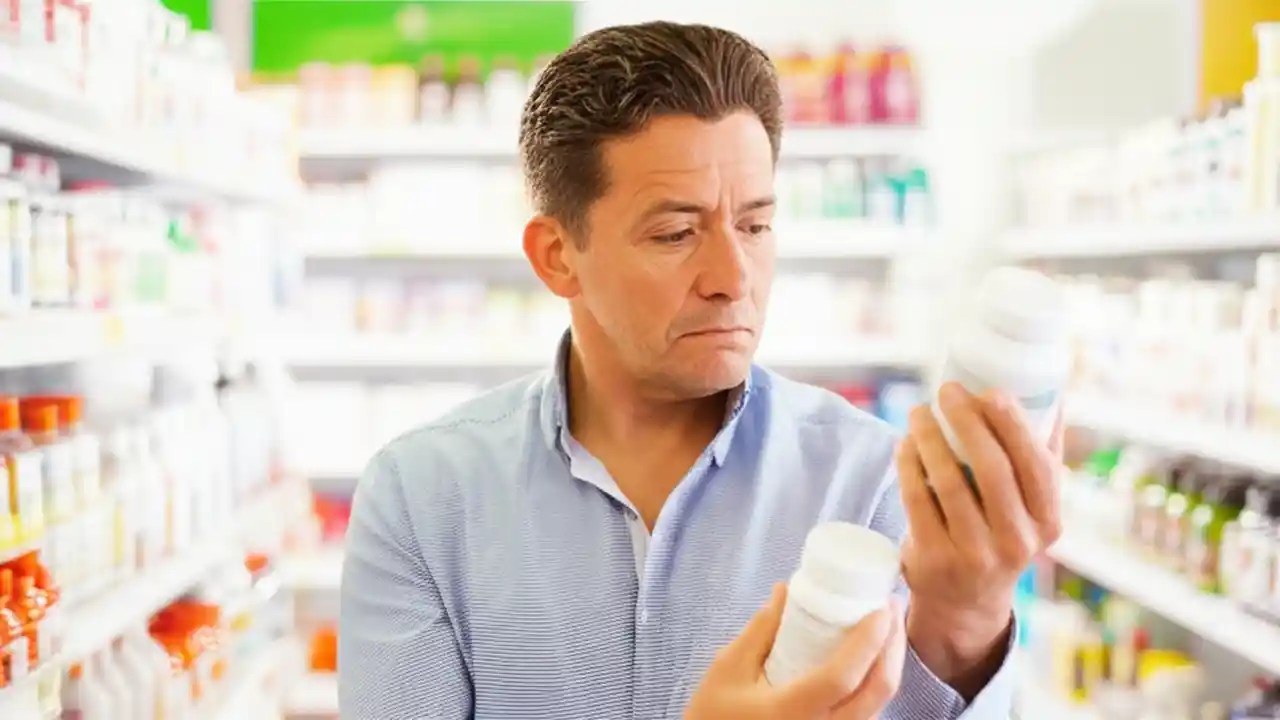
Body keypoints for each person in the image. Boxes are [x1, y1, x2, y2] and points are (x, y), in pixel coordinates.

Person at [339, 21, 1062, 720]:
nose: (732, 277)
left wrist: (965, 622)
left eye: (755, 225)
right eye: (677, 233)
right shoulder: (422, 498)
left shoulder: (871, 480)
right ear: (557, 257)